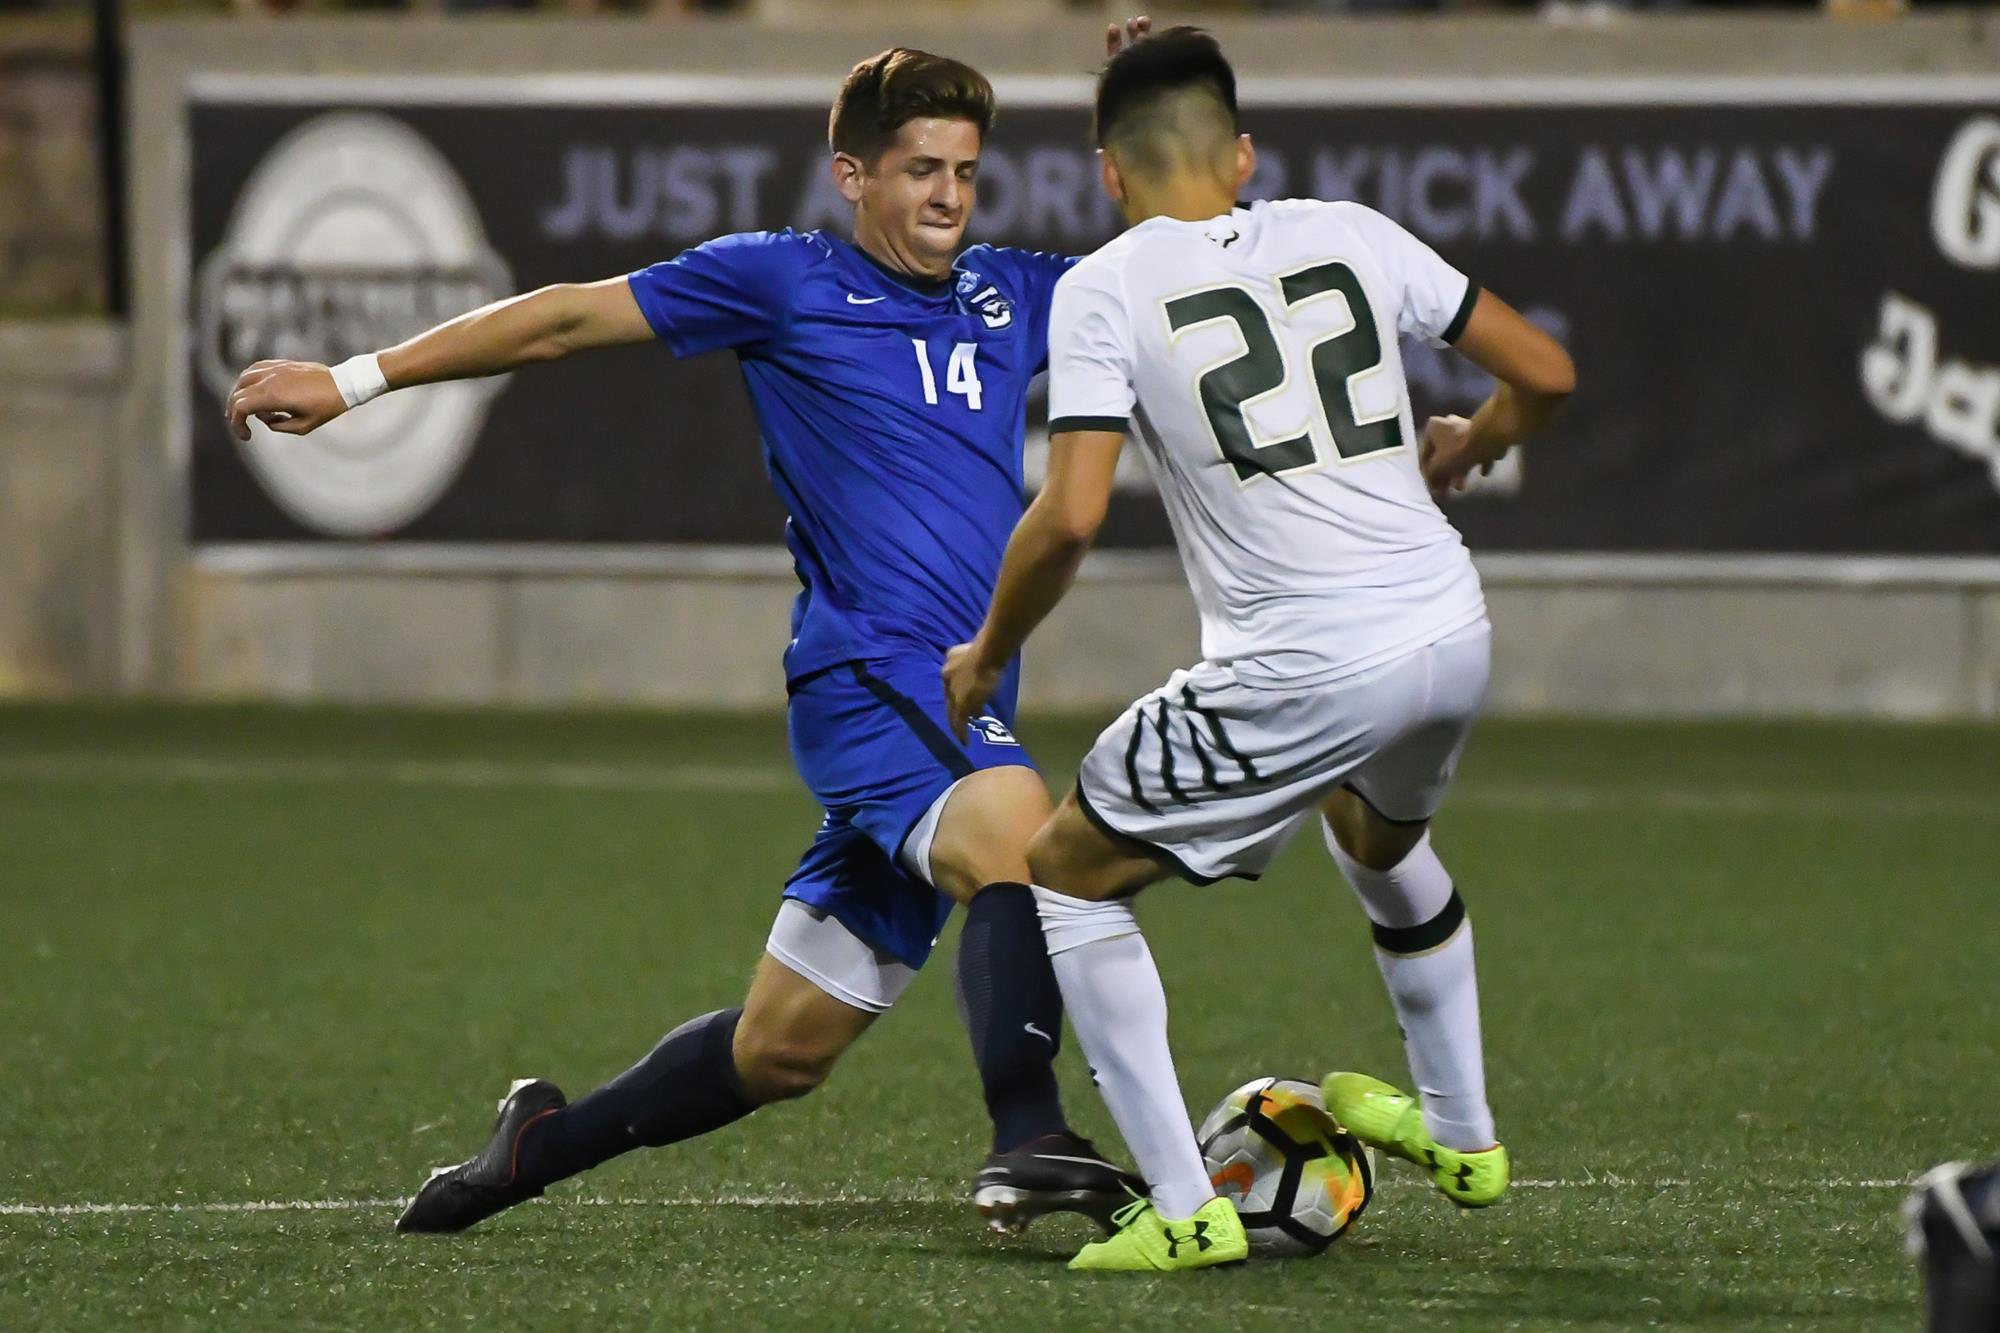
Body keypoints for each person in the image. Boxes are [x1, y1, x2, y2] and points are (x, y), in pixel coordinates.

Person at [224, 32, 1159, 1238]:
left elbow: (1170, 278)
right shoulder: (781, 278)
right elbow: (563, 319)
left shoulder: (1015, 296)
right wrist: (355, 382)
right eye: (920, 167)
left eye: (965, 172)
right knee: (1024, 849)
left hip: (952, 703)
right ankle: (1025, 1134)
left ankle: (534, 1147)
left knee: (781, 1049)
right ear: (852, 173)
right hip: (871, 679)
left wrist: (1137, 114)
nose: (946, 195)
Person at [942, 26, 1575, 1272]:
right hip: (1448, 628)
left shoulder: (1105, 286)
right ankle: (1464, 1133)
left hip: (1304, 660)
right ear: (1241, 156)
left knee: (1062, 867)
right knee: (1375, 833)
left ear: (1108, 177)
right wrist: (1472, 438)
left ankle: (1183, 1212)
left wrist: (985, 647)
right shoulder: (1352, 230)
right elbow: (1545, 370)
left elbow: (1067, 514)